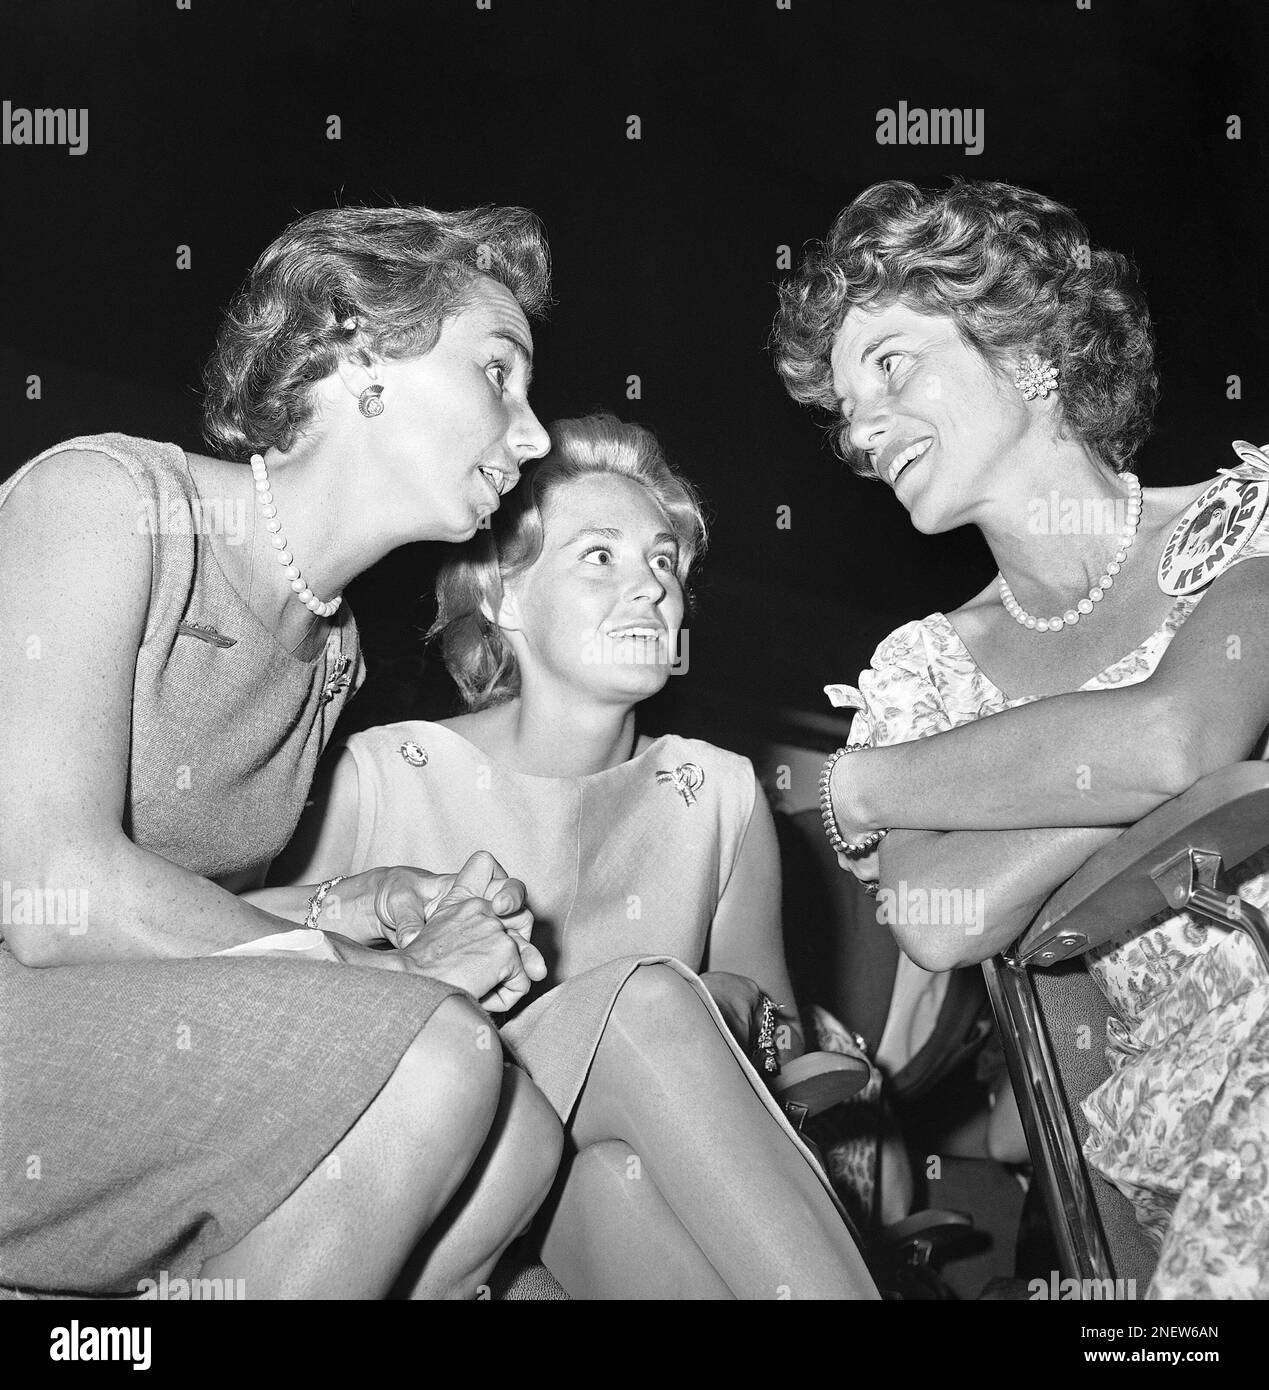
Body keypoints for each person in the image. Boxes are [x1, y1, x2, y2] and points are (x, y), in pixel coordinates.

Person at [0, 203, 569, 1300]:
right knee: (428, 1051)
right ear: (358, 346)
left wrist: (343, 905)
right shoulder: (108, 500)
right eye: (499, 373)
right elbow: (49, 885)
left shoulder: (330, 650)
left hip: (81, 1028)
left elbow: (190, 941)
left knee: (519, 1143)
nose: (535, 433)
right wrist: (378, 978)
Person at [772, 178, 1269, 1298]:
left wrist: (872, 782)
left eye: (890, 365)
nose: (861, 428)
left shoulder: (1245, 519)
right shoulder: (924, 670)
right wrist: (1184, 771)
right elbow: (939, 918)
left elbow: (1178, 736)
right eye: (845, 408)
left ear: (1025, 343)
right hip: (1175, 1101)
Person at [273, 412, 880, 1299]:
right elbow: (252, 978)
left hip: (593, 1189)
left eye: (663, 562)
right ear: (504, 599)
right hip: (429, 1178)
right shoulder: (385, 773)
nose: (649, 589)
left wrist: (735, 1007)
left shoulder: (718, 793)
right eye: (600, 555)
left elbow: (778, 1047)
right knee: (645, 1000)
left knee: (611, 1185)